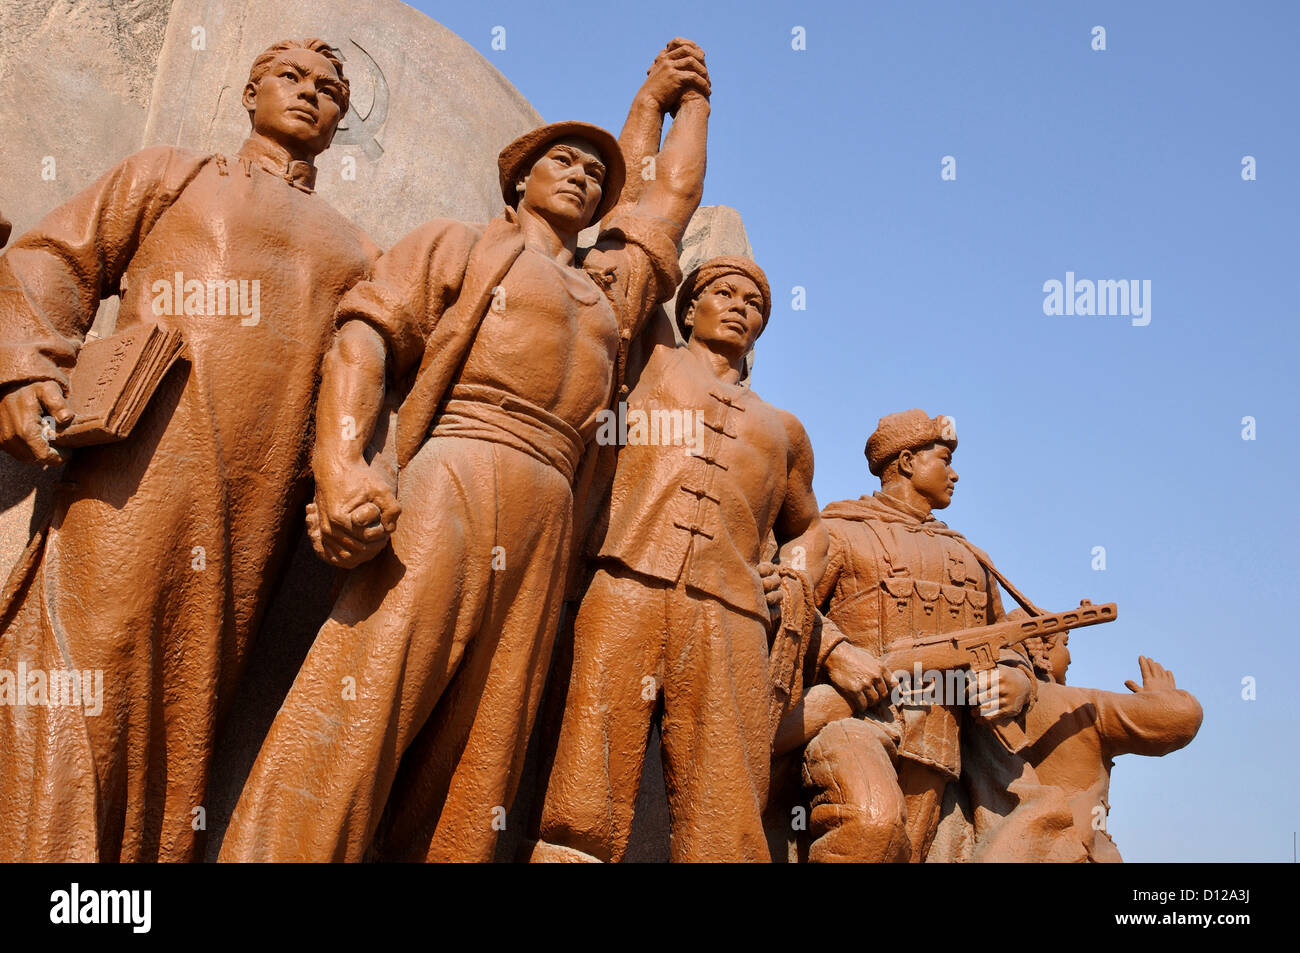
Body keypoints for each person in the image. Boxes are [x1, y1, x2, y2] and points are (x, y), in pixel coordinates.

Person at [219, 39, 711, 863]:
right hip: (455, 464)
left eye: (596, 174)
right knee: (369, 687)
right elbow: (364, 339)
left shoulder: (607, 295)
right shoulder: (457, 242)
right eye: (563, 160)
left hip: (547, 509)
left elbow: (669, 198)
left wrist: (681, 99)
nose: (583, 177)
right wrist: (340, 463)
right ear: (519, 179)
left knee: (486, 737)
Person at [0, 39, 378, 861]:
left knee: (191, 690)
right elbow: (51, 259)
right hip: (137, 462)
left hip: (255, 501)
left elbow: (371, 376)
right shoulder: (173, 172)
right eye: (290, 78)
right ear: (249, 94)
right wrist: (25, 370)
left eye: (329, 91)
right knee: (86, 645)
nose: (310, 96)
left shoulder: (359, 252)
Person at [529, 256, 856, 862]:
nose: (739, 307)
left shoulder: (784, 431)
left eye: (754, 304)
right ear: (689, 308)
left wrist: (793, 575)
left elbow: (810, 529)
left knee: (724, 800)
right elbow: (641, 262)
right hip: (626, 580)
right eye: (723, 293)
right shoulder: (654, 359)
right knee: (585, 776)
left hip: (730, 611)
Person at [805, 410, 1083, 862]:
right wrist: (837, 653)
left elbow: (1004, 642)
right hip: (854, 723)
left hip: (936, 746)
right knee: (872, 823)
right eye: (944, 458)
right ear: (908, 461)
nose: (955, 474)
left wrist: (1017, 682)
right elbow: (788, 608)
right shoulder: (839, 532)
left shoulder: (969, 557)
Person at [1021, 627, 1202, 861]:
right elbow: (1180, 717)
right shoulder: (1071, 706)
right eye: (1063, 644)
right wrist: (1160, 696)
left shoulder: (991, 710)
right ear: (1042, 652)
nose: (1070, 657)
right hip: (1072, 851)